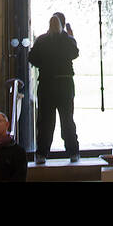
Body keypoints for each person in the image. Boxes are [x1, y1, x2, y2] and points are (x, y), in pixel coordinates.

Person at [29, 13, 79, 164]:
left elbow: (32, 58)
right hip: (65, 84)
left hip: (46, 84)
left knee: (45, 121)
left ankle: (41, 154)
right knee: (67, 120)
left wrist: (45, 65)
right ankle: (73, 152)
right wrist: (71, 37)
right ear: (63, 24)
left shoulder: (42, 40)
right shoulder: (67, 39)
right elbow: (75, 54)